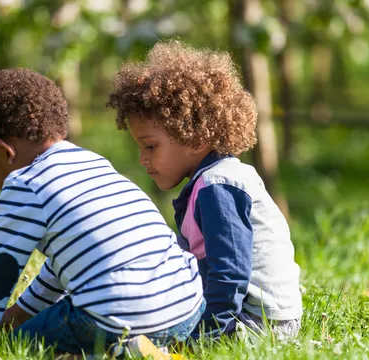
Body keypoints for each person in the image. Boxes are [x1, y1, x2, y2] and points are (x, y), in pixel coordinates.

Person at [0, 68, 205, 360]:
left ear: (4, 151)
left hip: (115, 316)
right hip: (186, 307)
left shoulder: (24, 184)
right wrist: (21, 312)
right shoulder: (93, 163)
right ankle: (150, 351)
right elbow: (66, 266)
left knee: (15, 348)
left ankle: (116, 357)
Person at [107, 40, 302, 341]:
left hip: (256, 322)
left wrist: (206, 336)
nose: (143, 159)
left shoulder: (218, 186)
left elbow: (231, 274)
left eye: (150, 146)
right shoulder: (210, 182)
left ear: (196, 140)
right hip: (249, 315)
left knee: (144, 337)